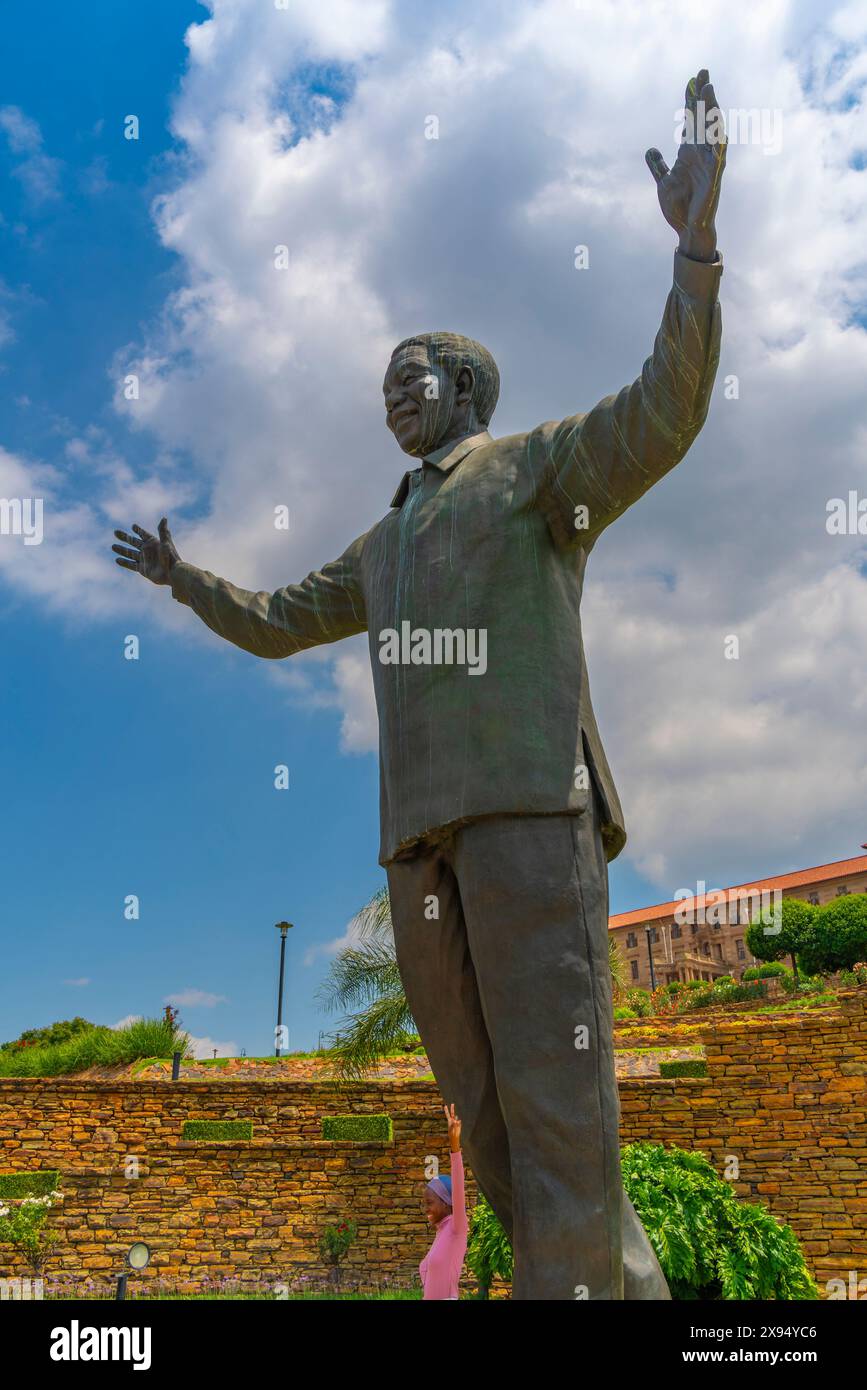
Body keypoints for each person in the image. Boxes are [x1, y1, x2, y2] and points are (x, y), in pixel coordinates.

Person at [111, 71, 725, 1298]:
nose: (395, 392)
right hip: (418, 848)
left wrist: (695, 250)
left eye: (416, 374)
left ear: (468, 388)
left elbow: (666, 409)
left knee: (558, 1103)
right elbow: (281, 621)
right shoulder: (382, 543)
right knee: (491, 1121)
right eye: (387, 379)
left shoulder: (533, 472)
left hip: (526, 813)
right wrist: (187, 582)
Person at [420, 1104, 467, 1301]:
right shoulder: (441, 1232)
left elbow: (458, 1190)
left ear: (447, 1202)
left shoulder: (457, 1228)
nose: (426, 1209)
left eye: (429, 1202)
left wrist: (454, 1146)